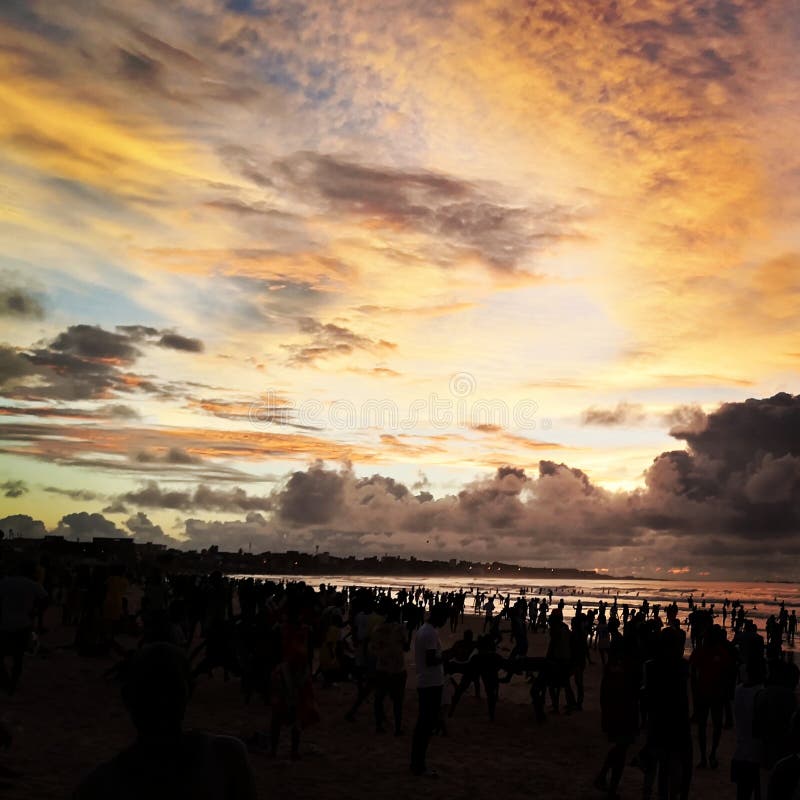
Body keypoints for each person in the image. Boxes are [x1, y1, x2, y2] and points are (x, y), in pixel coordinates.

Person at [73, 643, 257, 799]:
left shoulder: (101, 786)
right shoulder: (225, 758)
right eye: (150, 692)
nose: (162, 702)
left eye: (171, 690)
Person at [410, 604, 448, 776]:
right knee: (425, 726)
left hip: (428, 682)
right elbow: (431, 660)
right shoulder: (430, 633)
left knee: (424, 725)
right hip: (430, 683)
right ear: (439, 616)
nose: (446, 621)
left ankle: (417, 762)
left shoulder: (425, 630)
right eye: (445, 618)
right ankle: (418, 765)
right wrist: (448, 656)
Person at [0, 561, 47, 694]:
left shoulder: (5, 582)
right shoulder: (33, 585)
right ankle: (13, 683)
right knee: (18, 657)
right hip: (23, 624)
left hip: (5, 624)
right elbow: (45, 599)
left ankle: (6, 681)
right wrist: (35, 612)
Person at [732, 658, 766, 800]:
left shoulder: (739, 690)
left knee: (742, 793)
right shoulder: (761, 693)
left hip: (741, 751)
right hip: (757, 753)